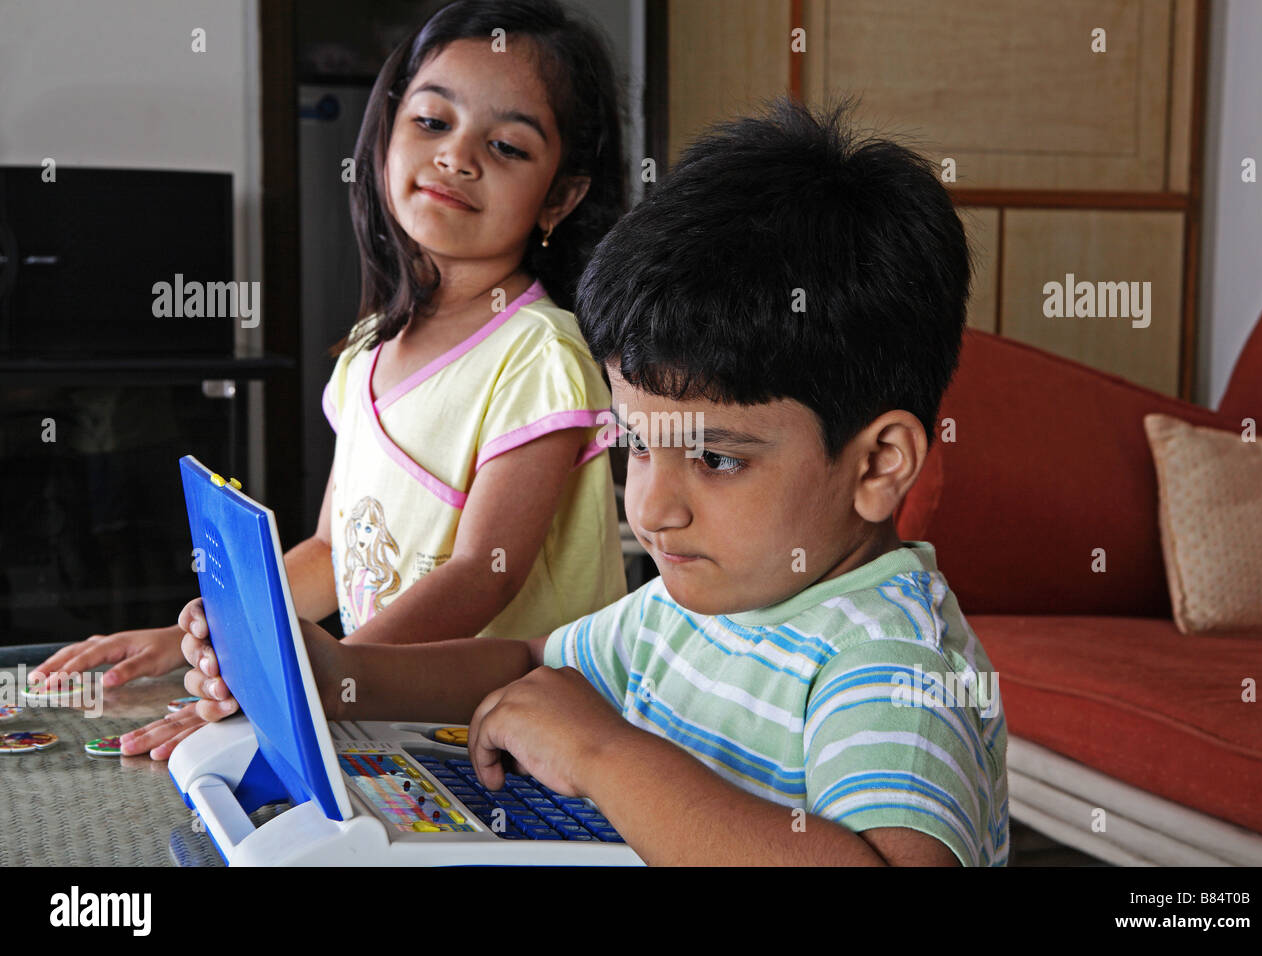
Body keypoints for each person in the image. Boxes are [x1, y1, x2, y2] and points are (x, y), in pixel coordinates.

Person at [179, 95, 1009, 865]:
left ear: (877, 464)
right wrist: (336, 675)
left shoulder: (890, 662)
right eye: (639, 448)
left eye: (717, 459)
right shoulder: (694, 603)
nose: (650, 509)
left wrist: (604, 755)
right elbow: (530, 661)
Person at [30, 0, 629, 759]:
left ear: (561, 197)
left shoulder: (541, 355)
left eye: (507, 146)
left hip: (519, 743)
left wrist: (316, 683)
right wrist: (221, 637)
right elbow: (328, 552)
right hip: (395, 725)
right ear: (385, 136)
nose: (457, 157)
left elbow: (485, 573)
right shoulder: (371, 349)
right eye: (433, 122)